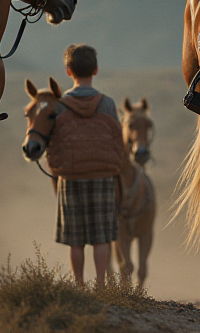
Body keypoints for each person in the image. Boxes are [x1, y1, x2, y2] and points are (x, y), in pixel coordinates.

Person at [49, 44, 126, 286]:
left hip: (70, 177)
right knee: (102, 237)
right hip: (103, 175)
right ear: (95, 70)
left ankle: (79, 284)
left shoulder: (59, 105)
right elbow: (118, 142)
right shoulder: (108, 104)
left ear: (68, 71)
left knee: (76, 239)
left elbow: (53, 143)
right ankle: (101, 285)